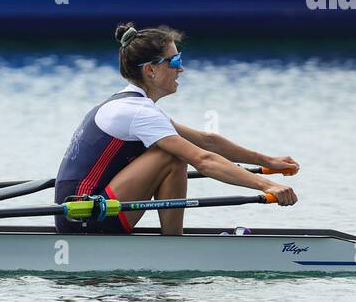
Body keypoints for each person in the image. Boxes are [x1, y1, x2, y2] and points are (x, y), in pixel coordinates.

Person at [54, 23, 298, 235]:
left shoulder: (134, 106)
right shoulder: (138, 112)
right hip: (86, 217)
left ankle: (173, 245)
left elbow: (207, 141)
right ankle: (174, 246)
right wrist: (266, 186)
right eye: (175, 61)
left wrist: (269, 161)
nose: (181, 69)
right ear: (150, 70)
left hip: (85, 212)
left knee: (175, 150)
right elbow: (202, 159)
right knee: (173, 154)